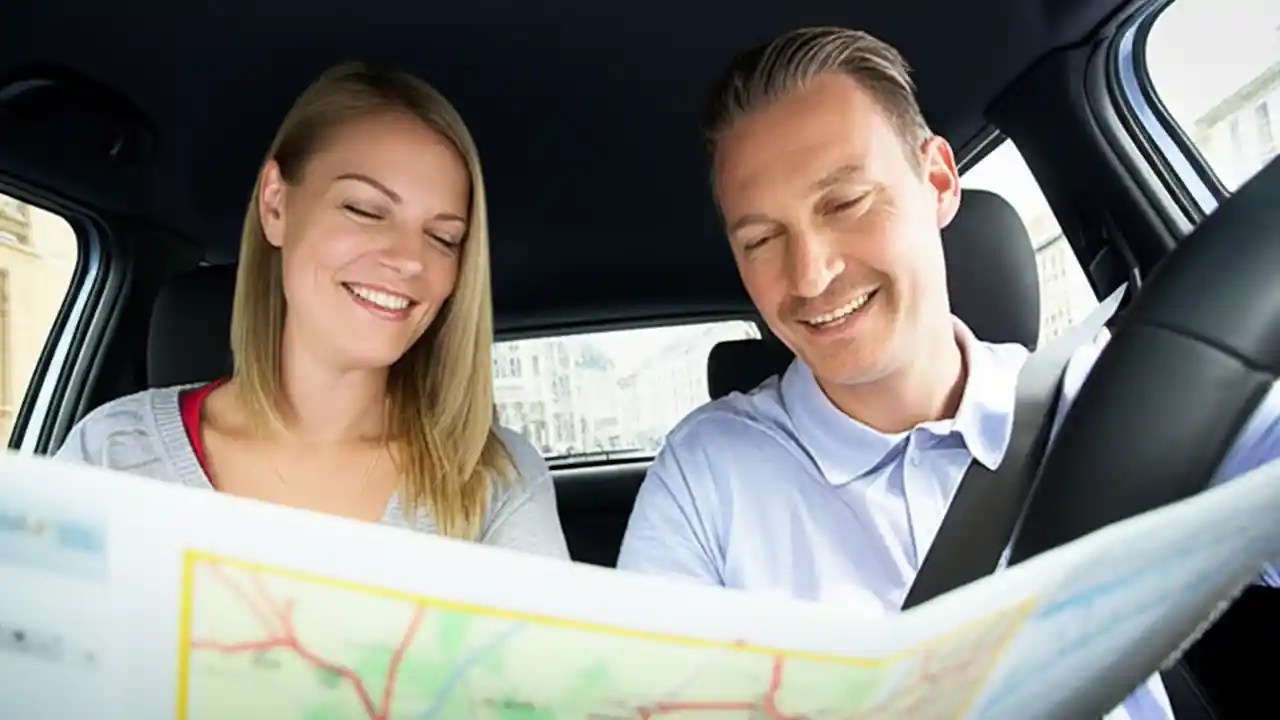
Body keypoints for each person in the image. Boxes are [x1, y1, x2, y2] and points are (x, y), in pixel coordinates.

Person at [615, 26, 1279, 718]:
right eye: (760, 239)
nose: (810, 274)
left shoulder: (1108, 399)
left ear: (938, 180)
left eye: (845, 203)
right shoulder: (706, 475)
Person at [56, 62, 570, 557]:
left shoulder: (494, 481)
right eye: (365, 210)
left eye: (442, 237)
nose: (409, 260)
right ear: (276, 204)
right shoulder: (113, 454)